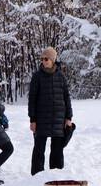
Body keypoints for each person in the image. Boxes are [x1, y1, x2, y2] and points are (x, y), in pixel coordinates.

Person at [28, 46, 73, 176]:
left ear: (53, 60)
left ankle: (56, 175)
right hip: (41, 119)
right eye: (42, 59)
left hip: (58, 119)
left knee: (57, 150)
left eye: (46, 59)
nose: (43, 61)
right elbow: (32, 99)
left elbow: (66, 97)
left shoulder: (61, 76)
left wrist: (69, 117)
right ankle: (37, 175)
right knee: (39, 149)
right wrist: (33, 119)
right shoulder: (37, 76)